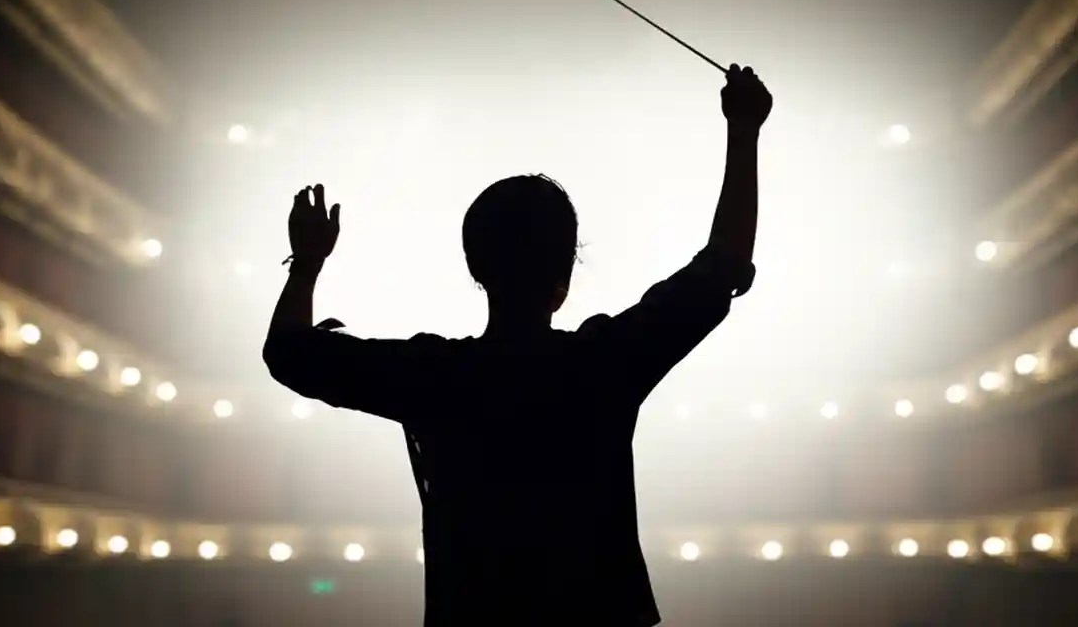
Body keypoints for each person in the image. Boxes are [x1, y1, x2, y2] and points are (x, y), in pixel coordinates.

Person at [264, 64, 772, 626]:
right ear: (565, 274)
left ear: (475, 268)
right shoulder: (604, 363)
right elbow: (723, 262)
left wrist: (307, 264)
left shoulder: (432, 376)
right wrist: (743, 128)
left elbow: (288, 354)